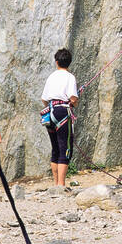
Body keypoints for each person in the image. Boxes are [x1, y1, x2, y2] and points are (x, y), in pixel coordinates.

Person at [41, 47, 78, 185]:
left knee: (55, 148)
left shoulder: (51, 77)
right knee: (65, 147)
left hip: (49, 112)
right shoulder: (70, 77)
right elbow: (73, 98)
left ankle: (56, 183)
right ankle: (61, 185)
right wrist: (73, 103)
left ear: (56, 62)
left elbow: (44, 99)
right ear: (69, 62)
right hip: (63, 111)